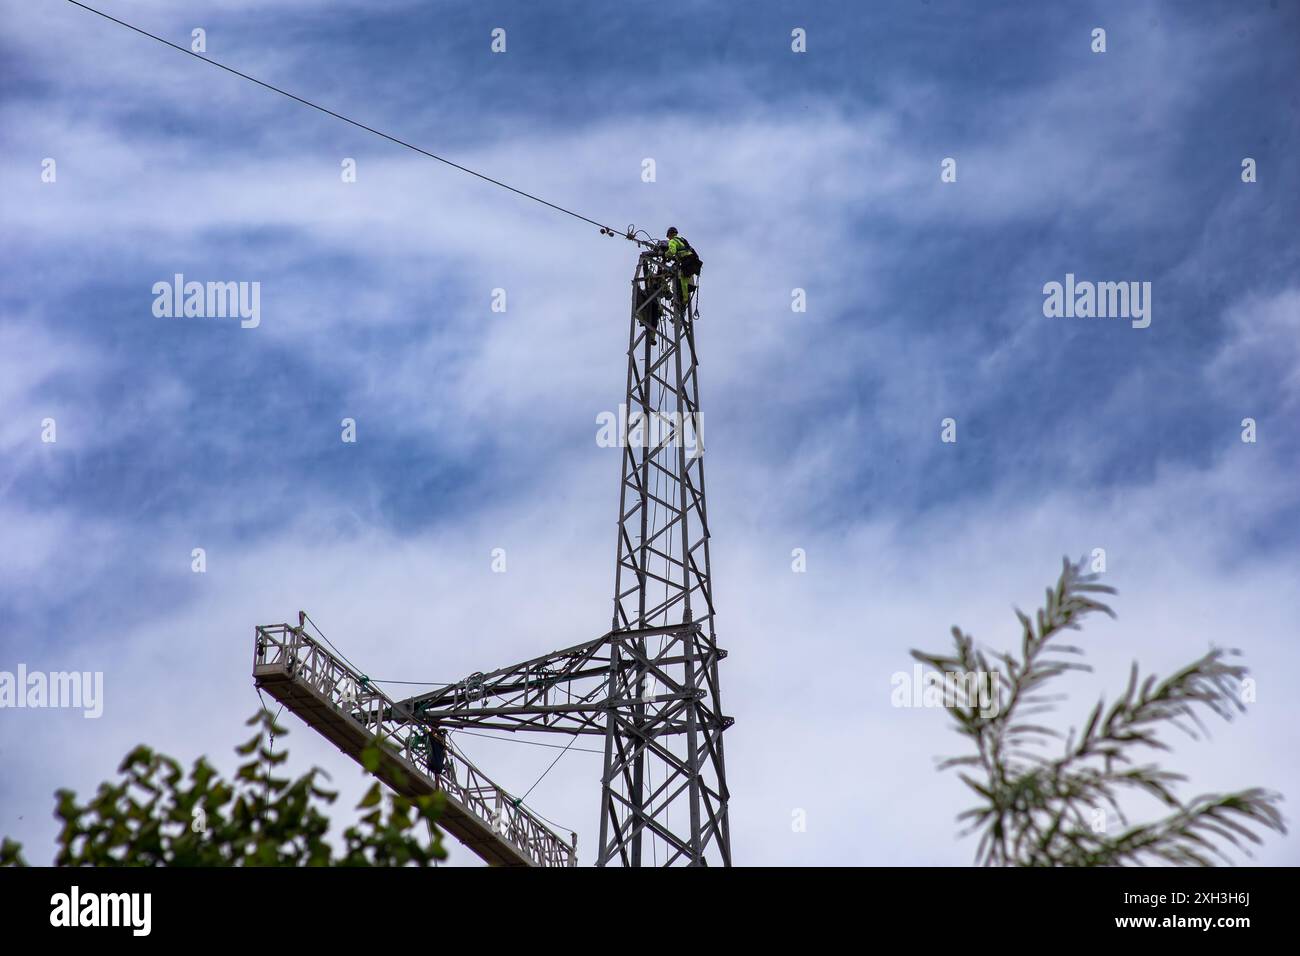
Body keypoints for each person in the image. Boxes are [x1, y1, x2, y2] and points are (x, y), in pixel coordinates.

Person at [664, 226, 701, 310]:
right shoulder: (682, 240)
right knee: (686, 278)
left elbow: (672, 251)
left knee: (683, 279)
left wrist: (666, 254)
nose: (668, 239)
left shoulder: (672, 241)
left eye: (668, 237)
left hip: (686, 262)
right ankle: (684, 298)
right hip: (693, 261)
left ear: (670, 235)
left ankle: (684, 300)